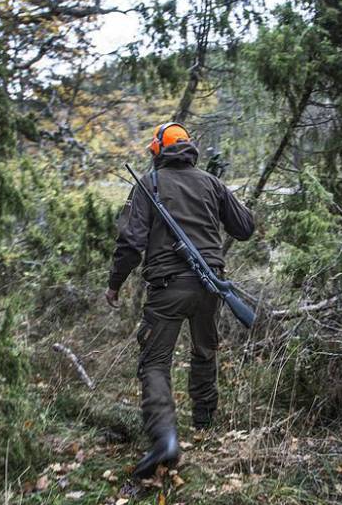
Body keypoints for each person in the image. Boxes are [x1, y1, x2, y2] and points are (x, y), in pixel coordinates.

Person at [104, 123, 255, 479]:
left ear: (157, 150)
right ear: (189, 149)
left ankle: (165, 440)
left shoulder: (149, 184)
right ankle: (204, 421)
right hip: (209, 287)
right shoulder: (210, 182)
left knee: (155, 363)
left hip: (167, 287)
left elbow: (130, 243)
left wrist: (114, 285)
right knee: (204, 350)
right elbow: (245, 227)